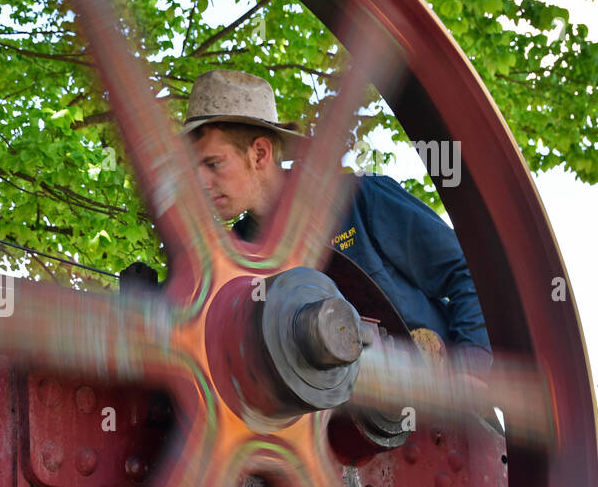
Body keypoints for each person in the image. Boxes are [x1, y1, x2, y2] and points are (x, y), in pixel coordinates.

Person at [181, 69, 492, 371]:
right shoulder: (232, 260)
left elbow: (466, 272)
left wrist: (470, 370)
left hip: (441, 413)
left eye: (213, 163)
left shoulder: (360, 199)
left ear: (260, 154)